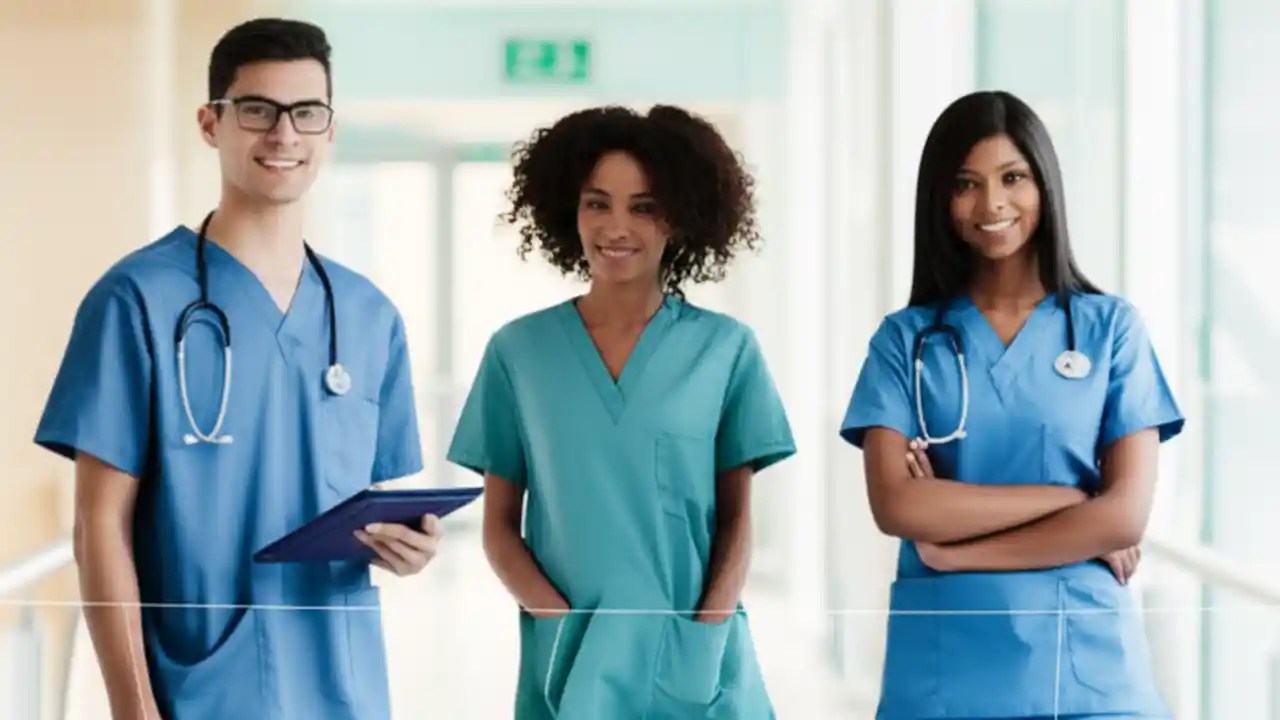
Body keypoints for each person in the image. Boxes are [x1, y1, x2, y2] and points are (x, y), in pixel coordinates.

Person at [34, 18, 440, 719]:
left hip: (343, 683)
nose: (284, 135)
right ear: (209, 123)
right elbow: (99, 525)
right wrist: (132, 707)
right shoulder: (137, 299)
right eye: (257, 110)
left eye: (307, 113)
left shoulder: (369, 315)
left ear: (329, 131)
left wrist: (406, 547)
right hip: (196, 686)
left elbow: (358, 502)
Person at [838, 90, 1184, 720]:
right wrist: (1073, 501)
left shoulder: (1110, 331)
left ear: (1044, 185)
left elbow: (1125, 519)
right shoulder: (905, 341)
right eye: (966, 183)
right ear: (940, 200)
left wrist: (955, 549)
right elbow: (897, 504)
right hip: (945, 675)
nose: (991, 203)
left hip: (1088, 674)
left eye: (1012, 178)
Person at [446, 105, 795, 718]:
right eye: (597, 202)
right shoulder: (518, 353)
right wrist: (562, 626)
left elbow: (738, 520)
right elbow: (500, 527)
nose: (617, 226)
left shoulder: (725, 349)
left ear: (679, 219)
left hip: (694, 659)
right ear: (568, 211)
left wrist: (707, 629)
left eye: (644, 206)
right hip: (571, 666)